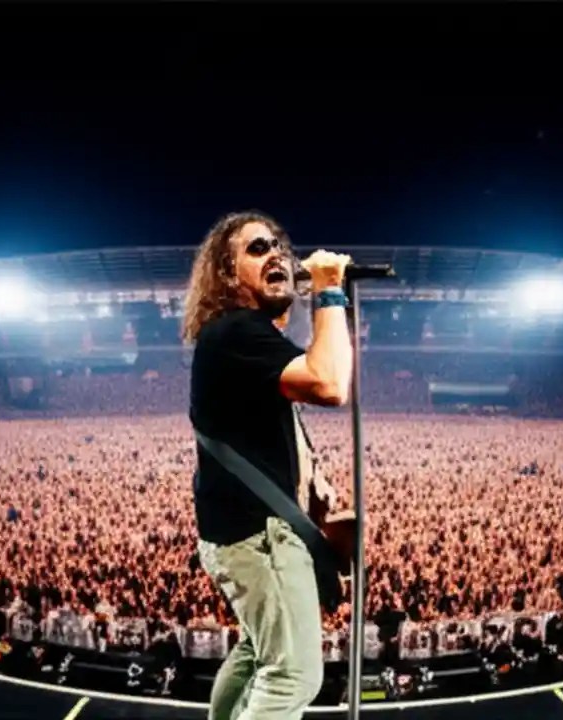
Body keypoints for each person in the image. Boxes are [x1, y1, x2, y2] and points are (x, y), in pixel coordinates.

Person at [182, 210, 353, 719]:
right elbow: (329, 383)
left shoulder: (236, 337)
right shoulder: (236, 331)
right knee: (293, 674)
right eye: (258, 248)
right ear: (228, 274)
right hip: (259, 537)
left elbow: (270, 428)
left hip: (240, 533)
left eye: (279, 244)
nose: (277, 252)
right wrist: (329, 290)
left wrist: (312, 486)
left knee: (259, 653)